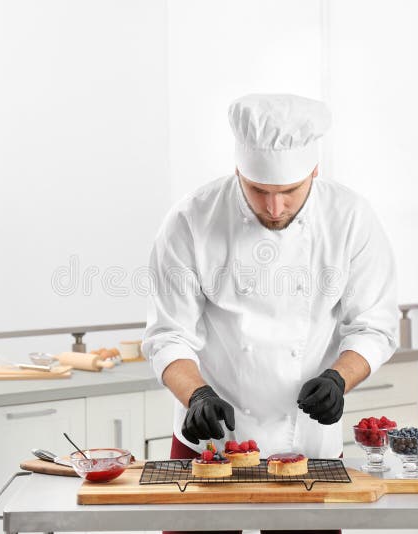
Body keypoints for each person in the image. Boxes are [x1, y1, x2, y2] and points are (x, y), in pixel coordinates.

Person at [143, 94, 398, 534]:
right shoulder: (191, 220)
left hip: (307, 444)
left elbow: (374, 324)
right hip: (210, 441)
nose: (274, 208)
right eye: (259, 190)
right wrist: (196, 396)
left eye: (289, 192)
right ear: (239, 170)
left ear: (314, 171)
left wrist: (340, 378)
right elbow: (169, 335)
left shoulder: (351, 219)